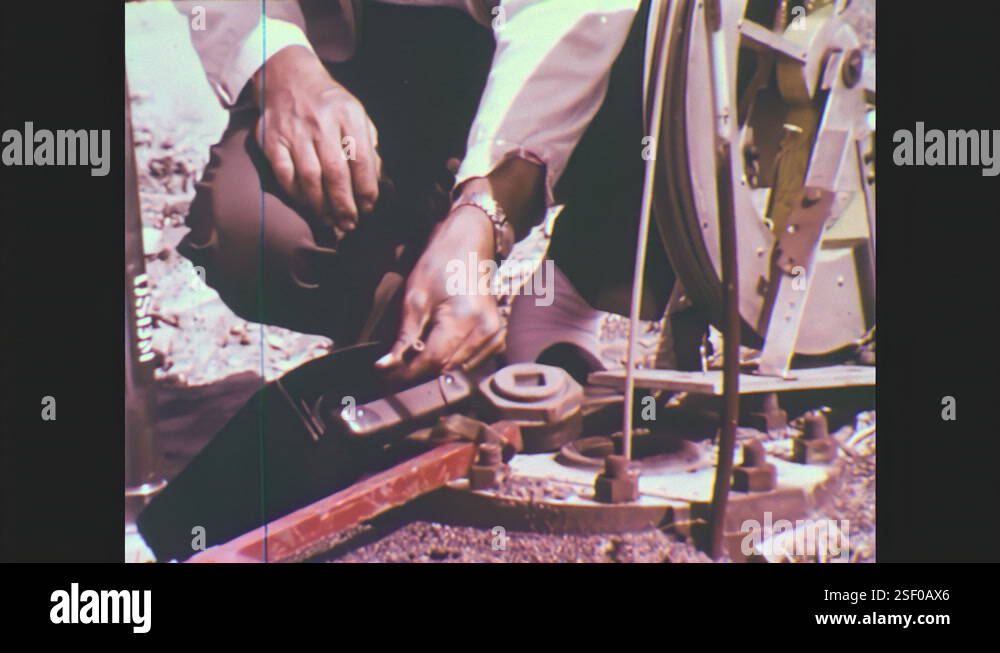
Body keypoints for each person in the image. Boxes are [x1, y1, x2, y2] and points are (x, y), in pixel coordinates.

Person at [172, 0, 675, 385]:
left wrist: (485, 210)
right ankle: (413, 328)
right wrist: (279, 63)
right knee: (253, 227)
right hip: (361, 37)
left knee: (682, 35)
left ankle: (564, 303)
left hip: (570, 29)